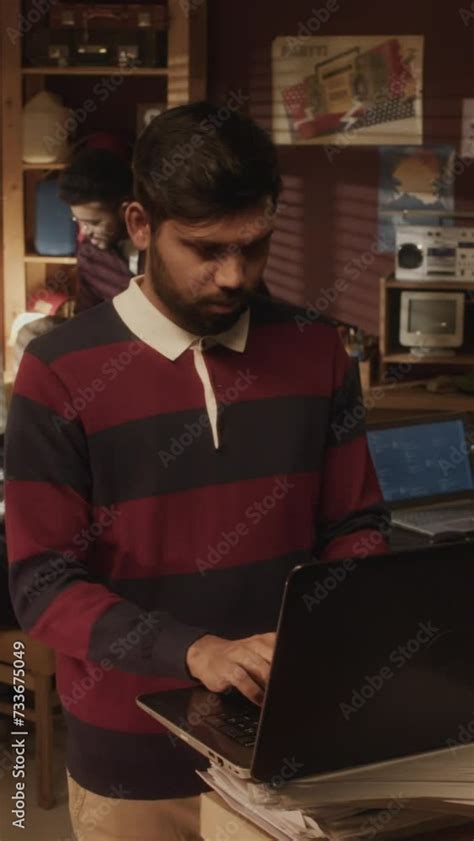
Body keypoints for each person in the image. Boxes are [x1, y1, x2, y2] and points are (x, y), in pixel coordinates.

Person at [5, 102, 390, 841]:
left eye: (255, 245)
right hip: (132, 764)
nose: (235, 274)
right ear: (140, 224)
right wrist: (194, 649)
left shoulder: (318, 353)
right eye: (207, 248)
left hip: (289, 749)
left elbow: (356, 525)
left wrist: (326, 632)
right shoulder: (59, 373)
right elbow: (42, 585)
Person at [59, 147, 141, 313]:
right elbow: (85, 316)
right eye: (78, 221)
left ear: (126, 211)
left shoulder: (161, 245)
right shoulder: (90, 256)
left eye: (94, 222)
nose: (84, 232)